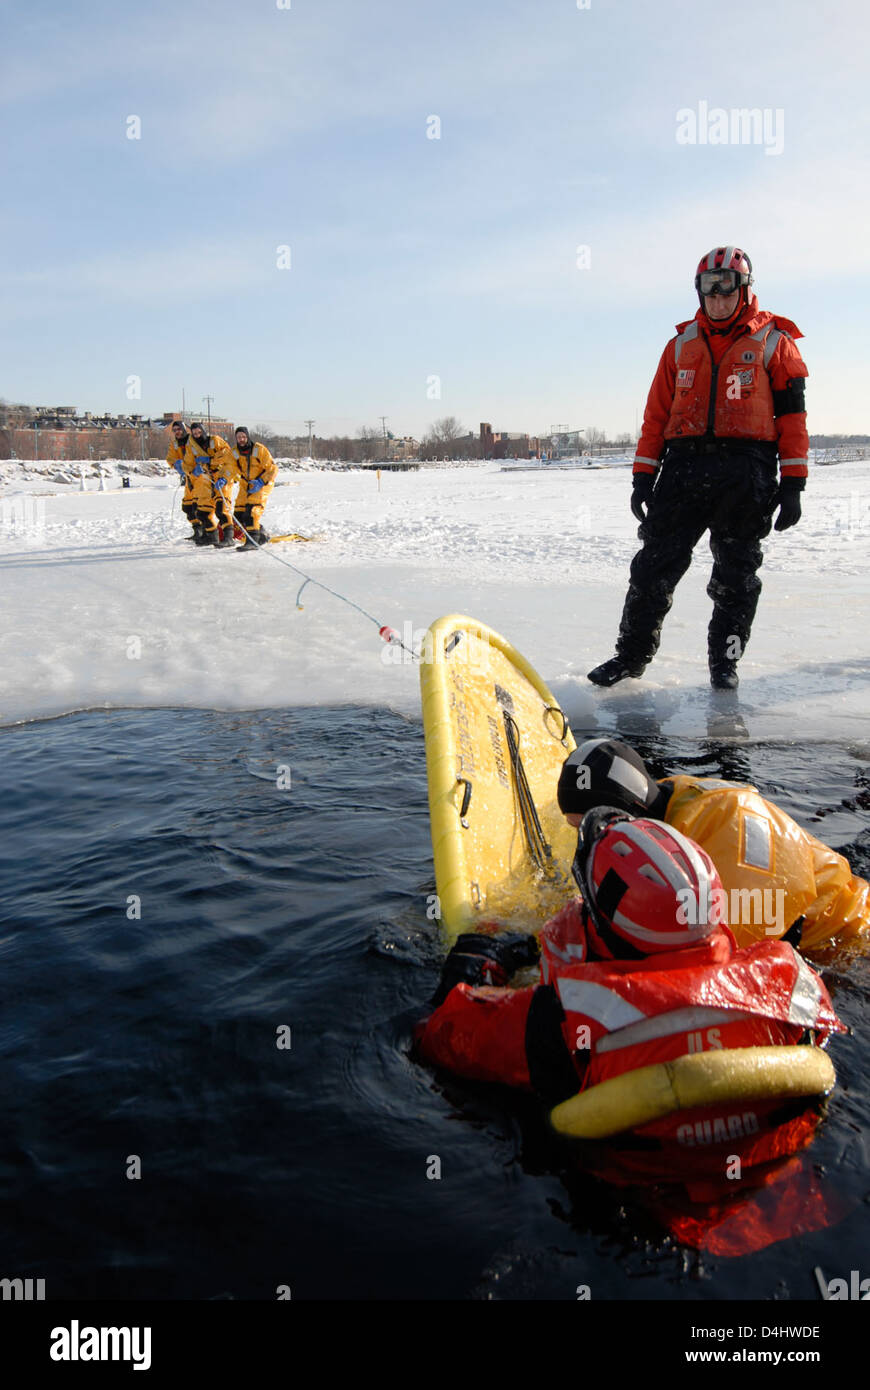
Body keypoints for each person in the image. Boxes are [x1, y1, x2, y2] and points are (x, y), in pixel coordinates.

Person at [415, 811, 845, 1181]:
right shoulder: (792, 981)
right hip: (792, 1199)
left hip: (638, 1211)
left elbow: (439, 1034)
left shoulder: (563, 1018)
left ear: (602, 925)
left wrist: (479, 958)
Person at [588, 246, 809, 691]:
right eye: (710, 291)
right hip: (683, 468)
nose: (718, 300)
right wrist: (642, 475)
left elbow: (792, 420)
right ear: (700, 293)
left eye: (726, 289)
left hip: (746, 472)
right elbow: (655, 416)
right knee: (652, 568)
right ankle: (630, 657)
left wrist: (794, 484)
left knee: (736, 578)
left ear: (744, 290)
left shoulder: (775, 344)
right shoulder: (680, 346)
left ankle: (724, 666)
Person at [556, 738, 870, 951]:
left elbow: (721, 946)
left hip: (845, 939)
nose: (591, 839)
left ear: (630, 810)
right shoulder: (657, 810)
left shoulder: (728, 822)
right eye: (578, 828)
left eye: (596, 824)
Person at [189, 422, 238, 548]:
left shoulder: (215, 440)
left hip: (222, 476)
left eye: (199, 432)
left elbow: (227, 456)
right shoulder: (192, 446)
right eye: (195, 433)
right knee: (202, 512)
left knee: (221, 509)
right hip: (206, 479)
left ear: (203, 431)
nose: (197, 435)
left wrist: (210, 460)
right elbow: (187, 463)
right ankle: (212, 536)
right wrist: (192, 471)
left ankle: (228, 538)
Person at [232, 427, 278, 550]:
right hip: (246, 484)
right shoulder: (235, 452)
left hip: (262, 483)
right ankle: (261, 533)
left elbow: (273, 469)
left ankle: (252, 541)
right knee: (239, 515)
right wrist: (222, 478)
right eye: (238, 437)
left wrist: (261, 481)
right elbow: (229, 467)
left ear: (247, 437)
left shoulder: (259, 450)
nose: (241, 440)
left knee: (252, 512)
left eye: (243, 437)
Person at [166, 419, 198, 541]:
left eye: (179, 429)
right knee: (187, 506)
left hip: (198, 476)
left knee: (201, 506)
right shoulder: (174, 444)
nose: (177, 432)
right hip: (188, 478)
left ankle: (208, 532)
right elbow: (170, 457)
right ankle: (197, 529)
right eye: (174, 430)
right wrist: (176, 464)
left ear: (184, 429)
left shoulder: (193, 440)